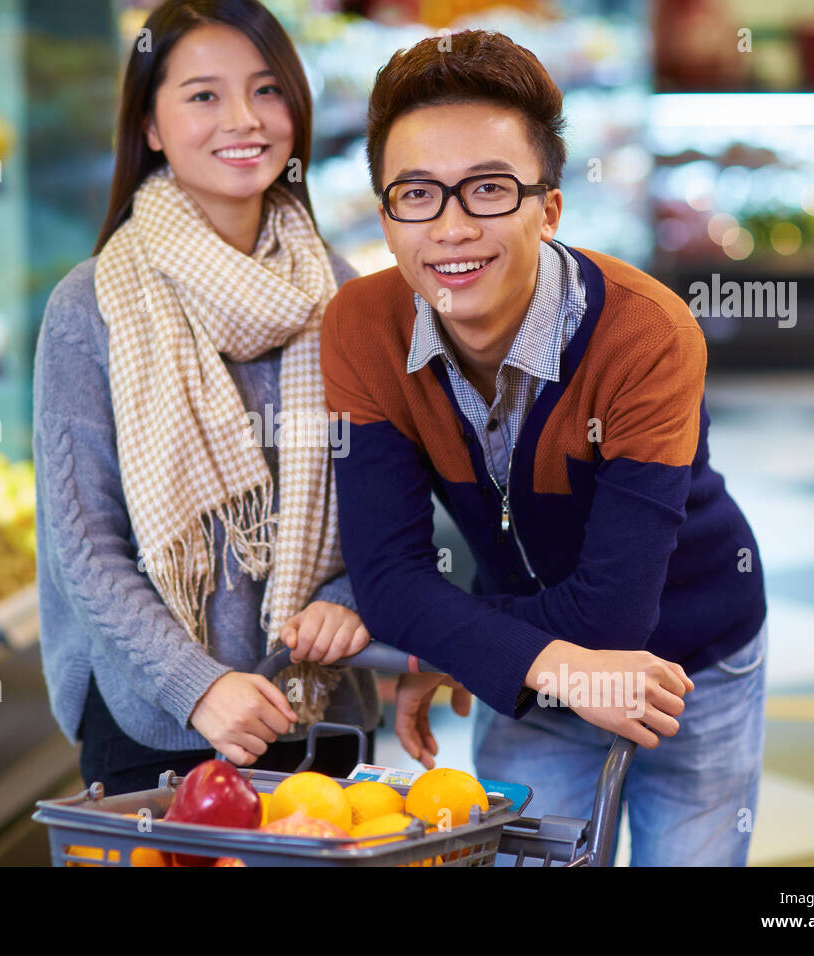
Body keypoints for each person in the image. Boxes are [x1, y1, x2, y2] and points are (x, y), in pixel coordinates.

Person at [320, 30, 767, 865]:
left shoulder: (648, 333)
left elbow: (609, 618)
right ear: (385, 218)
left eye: (487, 190)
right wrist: (478, 644)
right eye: (416, 194)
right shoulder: (360, 327)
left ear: (548, 207)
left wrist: (446, 640)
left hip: (695, 661)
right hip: (538, 681)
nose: (451, 229)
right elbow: (384, 581)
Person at [33, 0, 379, 797]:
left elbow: (385, 498)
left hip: (315, 711)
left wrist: (347, 597)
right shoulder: (90, 307)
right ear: (149, 125)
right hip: (152, 723)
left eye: (266, 91)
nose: (243, 120)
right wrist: (198, 684)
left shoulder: (347, 293)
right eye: (202, 95)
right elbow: (85, 547)